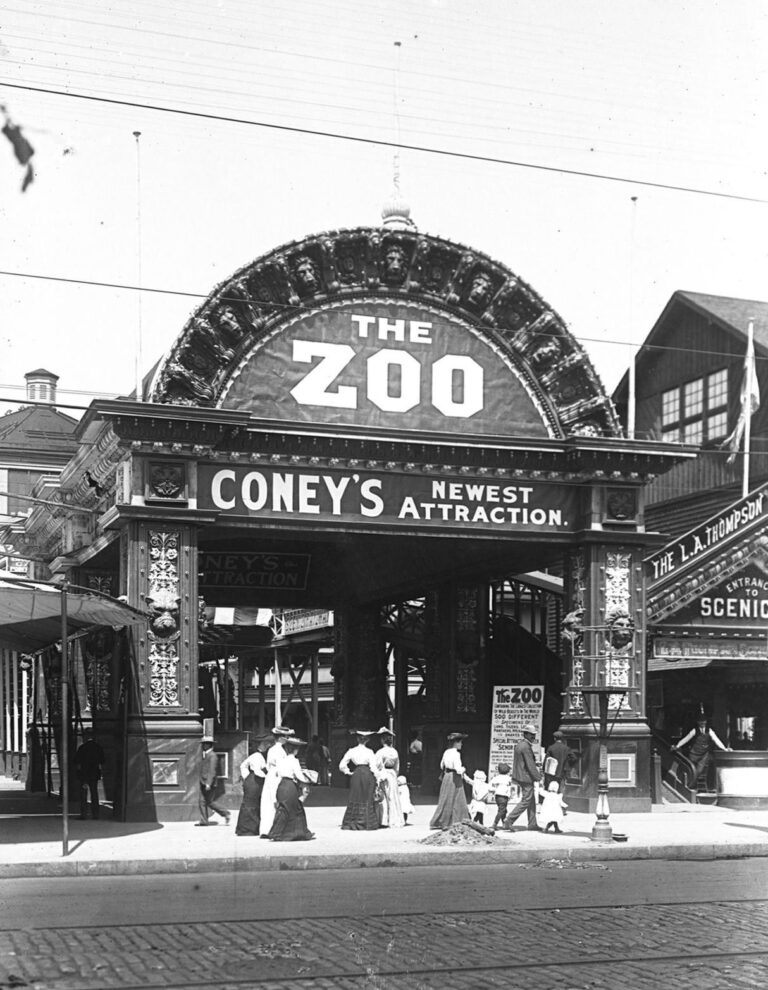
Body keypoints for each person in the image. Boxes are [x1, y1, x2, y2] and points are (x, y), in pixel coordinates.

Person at [268, 736, 315, 841]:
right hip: (290, 786)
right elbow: (299, 775)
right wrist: (308, 779)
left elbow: (277, 773)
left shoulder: (281, 760)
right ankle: (297, 833)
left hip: (281, 785)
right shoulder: (295, 761)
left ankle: (276, 833)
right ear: (295, 750)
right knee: (295, 808)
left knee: (283, 809)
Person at [672, 715, 729, 789]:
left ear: (706, 722)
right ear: (698, 722)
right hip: (693, 754)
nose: (702, 723)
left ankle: (691, 786)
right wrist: (677, 746)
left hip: (704, 755)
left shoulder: (709, 731)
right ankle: (688, 786)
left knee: (698, 771)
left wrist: (724, 749)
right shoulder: (694, 730)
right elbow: (686, 739)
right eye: (701, 721)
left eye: (704, 721)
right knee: (690, 770)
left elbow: (716, 740)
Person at [503, 723, 541, 831]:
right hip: (526, 776)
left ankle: (532, 823)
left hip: (520, 775)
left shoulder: (520, 745)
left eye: (534, 735)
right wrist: (538, 776)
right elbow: (529, 764)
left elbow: (524, 762)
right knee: (526, 800)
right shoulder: (526, 747)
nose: (534, 737)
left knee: (531, 799)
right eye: (532, 735)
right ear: (526, 734)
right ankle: (509, 820)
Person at [429, 732, 472, 829]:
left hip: (447, 776)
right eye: (460, 742)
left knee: (446, 798)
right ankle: (458, 820)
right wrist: (463, 769)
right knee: (458, 799)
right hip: (455, 776)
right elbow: (458, 769)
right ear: (456, 743)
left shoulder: (446, 752)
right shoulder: (456, 754)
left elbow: (441, 765)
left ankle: (442, 821)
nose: (461, 744)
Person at [339, 729, 380, 830]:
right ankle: (366, 822)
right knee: (366, 796)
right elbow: (373, 767)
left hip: (356, 774)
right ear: (367, 740)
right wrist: (378, 777)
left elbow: (342, 765)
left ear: (358, 739)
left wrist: (348, 772)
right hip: (367, 774)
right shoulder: (369, 752)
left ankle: (353, 821)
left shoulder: (351, 751)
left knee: (355, 796)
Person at [260, 725, 293, 837]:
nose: (287, 739)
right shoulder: (280, 751)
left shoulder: (272, 749)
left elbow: (268, 766)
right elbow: (281, 766)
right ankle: (274, 829)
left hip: (270, 776)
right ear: (280, 738)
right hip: (276, 776)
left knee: (267, 802)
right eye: (285, 737)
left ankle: (265, 828)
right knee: (276, 801)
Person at [235, 732, 270, 836]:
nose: (268, 745)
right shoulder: (256, 756)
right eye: (266, 743)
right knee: (251, 803)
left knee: (253, 803)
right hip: (255, 780)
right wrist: (249, 776)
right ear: (261, 744)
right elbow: (255, 769)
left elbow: (243, 765)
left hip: (253, 780)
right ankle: (247, 829)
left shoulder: (261, 755)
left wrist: (247, 777)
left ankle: (250, 828)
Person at [197, 735, 230, 826]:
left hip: (208, 783)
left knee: (209, 802)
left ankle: (225, 813)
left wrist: (208, 783)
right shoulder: (208, 755)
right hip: (204, 782)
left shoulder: (212, 756)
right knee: (202, 802)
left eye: (204, 744)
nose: (202, 746)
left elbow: (212, 770)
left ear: (208, 745)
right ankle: (204, 821)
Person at [374, 727, 404, 828]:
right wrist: (395, 774)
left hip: (384, 773)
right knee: (393, 796)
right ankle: (395, 818)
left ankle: (384, 820)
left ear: (382, 740)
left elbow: (377, 765)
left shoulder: (380, 752)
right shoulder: (394, 751)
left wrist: (378, 775)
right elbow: (397, 766)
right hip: (392, 774)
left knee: (384, 797)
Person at [74, 729, 104, 820]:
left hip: (84, 774)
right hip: (94, 774)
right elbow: (103, 760)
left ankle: (84, 814)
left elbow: (76, 761)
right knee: (94, 793)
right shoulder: (98, 747)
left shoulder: (82, 748)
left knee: (83, 794)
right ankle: (95, 814)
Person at [489, 762, 513, 828]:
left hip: (497, 795)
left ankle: (504, 824)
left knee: (503, 810)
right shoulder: (508, 778)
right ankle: (495, 824)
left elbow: (490, 785)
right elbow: (510, 787)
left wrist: (494, 789)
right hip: (505, 796)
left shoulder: (496, 777)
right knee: (502, 810)